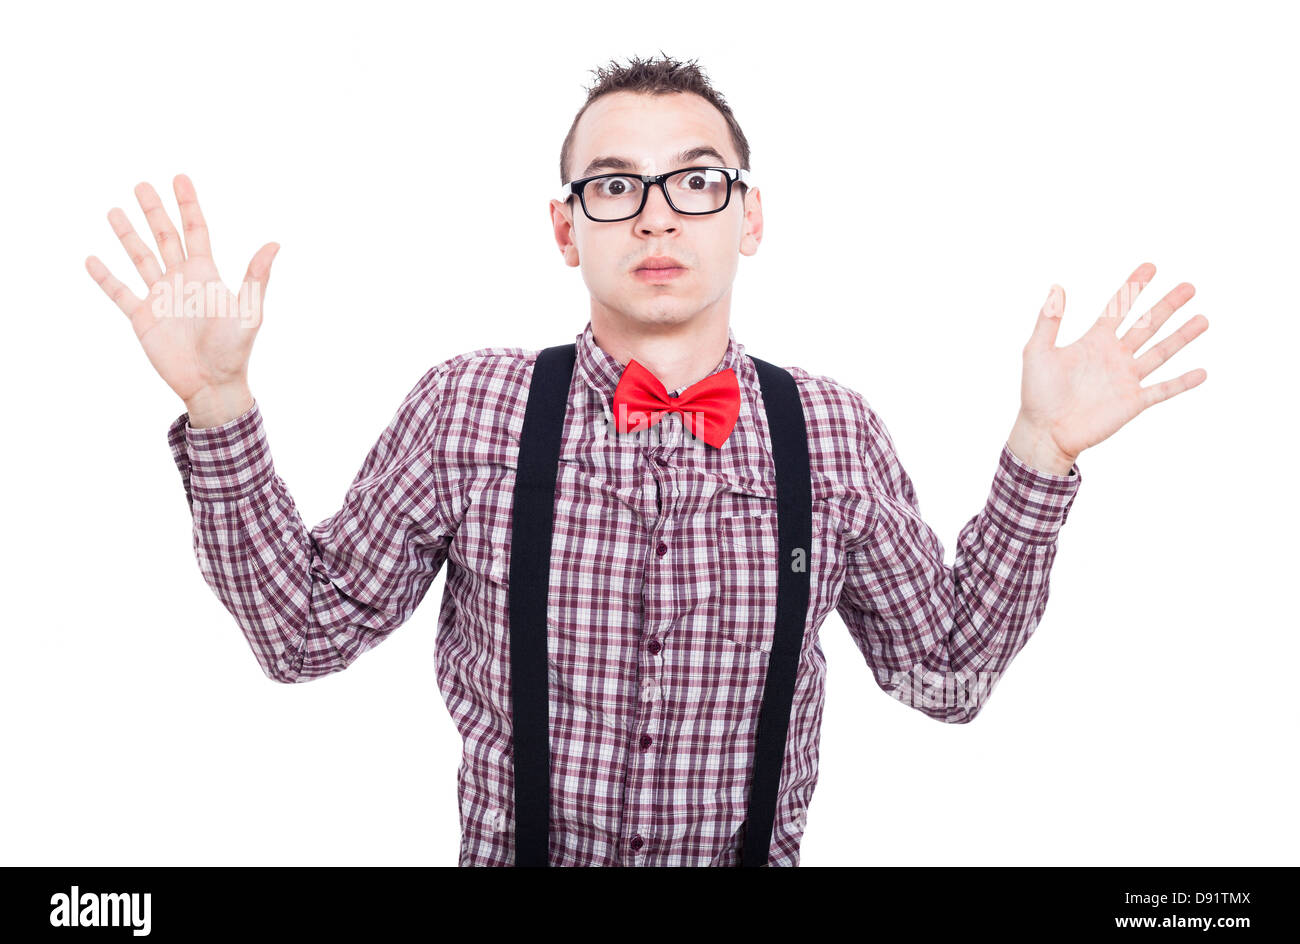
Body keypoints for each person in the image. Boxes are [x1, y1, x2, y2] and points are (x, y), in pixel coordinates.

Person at [83, 54, 1209, 867]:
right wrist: (219, 405)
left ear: (748, 217)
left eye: (696, 181)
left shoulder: (835, 431)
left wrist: (1039, 451)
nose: (657, 217)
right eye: (615, 186)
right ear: (568, 229)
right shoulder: (467, 407)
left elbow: (945, 672)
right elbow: (303, 633)